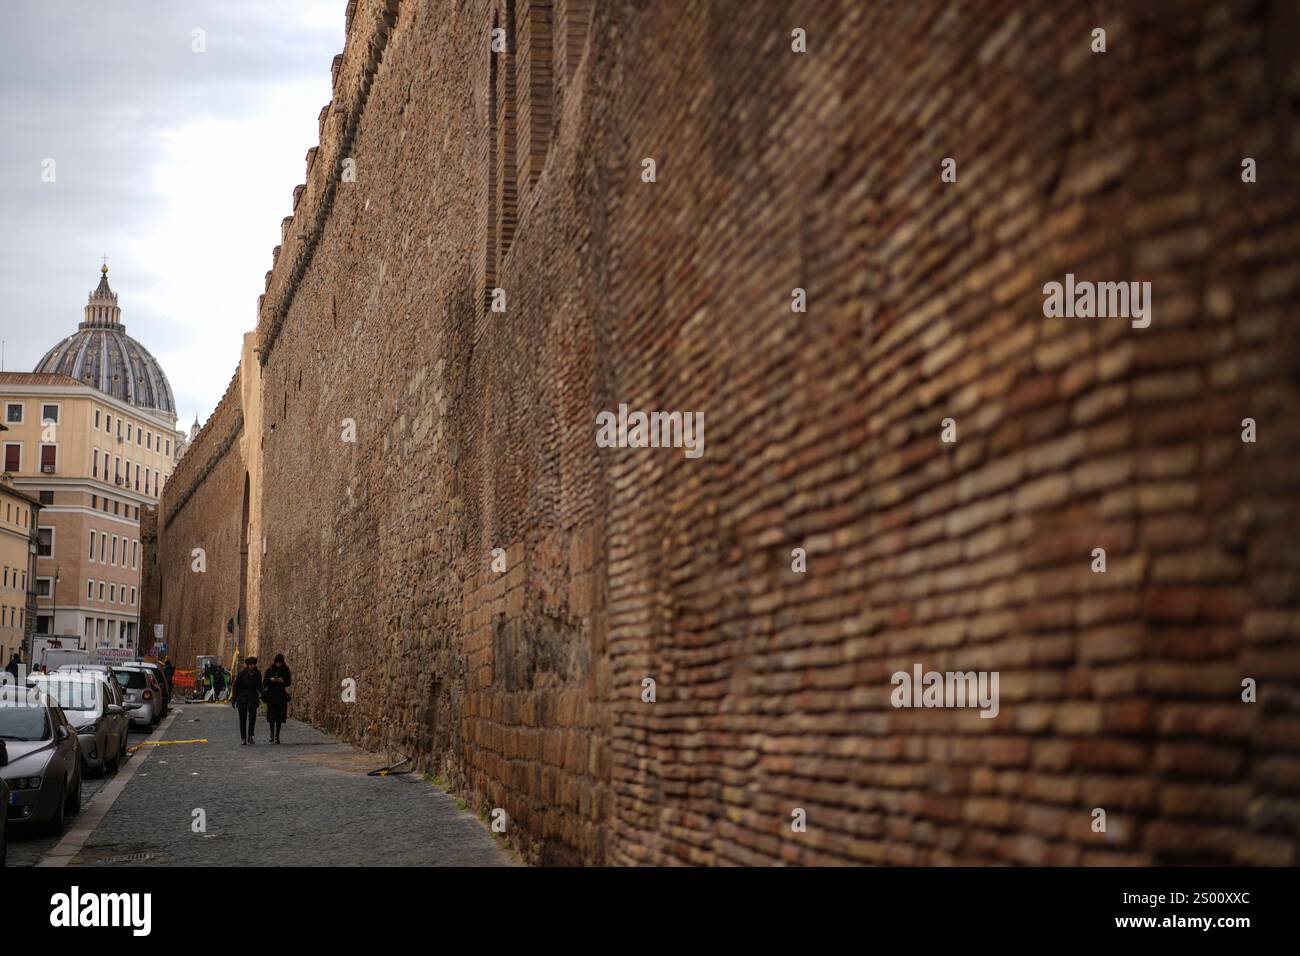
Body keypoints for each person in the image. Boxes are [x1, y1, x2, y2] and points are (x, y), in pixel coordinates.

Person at [262, 654, 292, 744]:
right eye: (277, 662)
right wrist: (271, 680)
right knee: (271, 716)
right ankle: (271, 733)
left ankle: (277, 735)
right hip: (271, 696)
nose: (278, 664)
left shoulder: (285, 670)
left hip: (281, 696)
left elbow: (288, 683)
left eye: (280, 663)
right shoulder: (269, 670)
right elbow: (265, 683)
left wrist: (282, 681)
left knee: (279, 717)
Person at [231, 656, 262, 745]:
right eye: (250, 665)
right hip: (242, 698)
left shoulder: (258, 673)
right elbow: (235, 686)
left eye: (253, 665)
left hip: (253, 698)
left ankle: (250, 736)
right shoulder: (241, 674)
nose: (251, 666)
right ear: (247, 665)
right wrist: (234, 698)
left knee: (252, 718)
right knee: (242, 719)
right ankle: (243, 738)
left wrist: (264, 693)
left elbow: (259, 686)